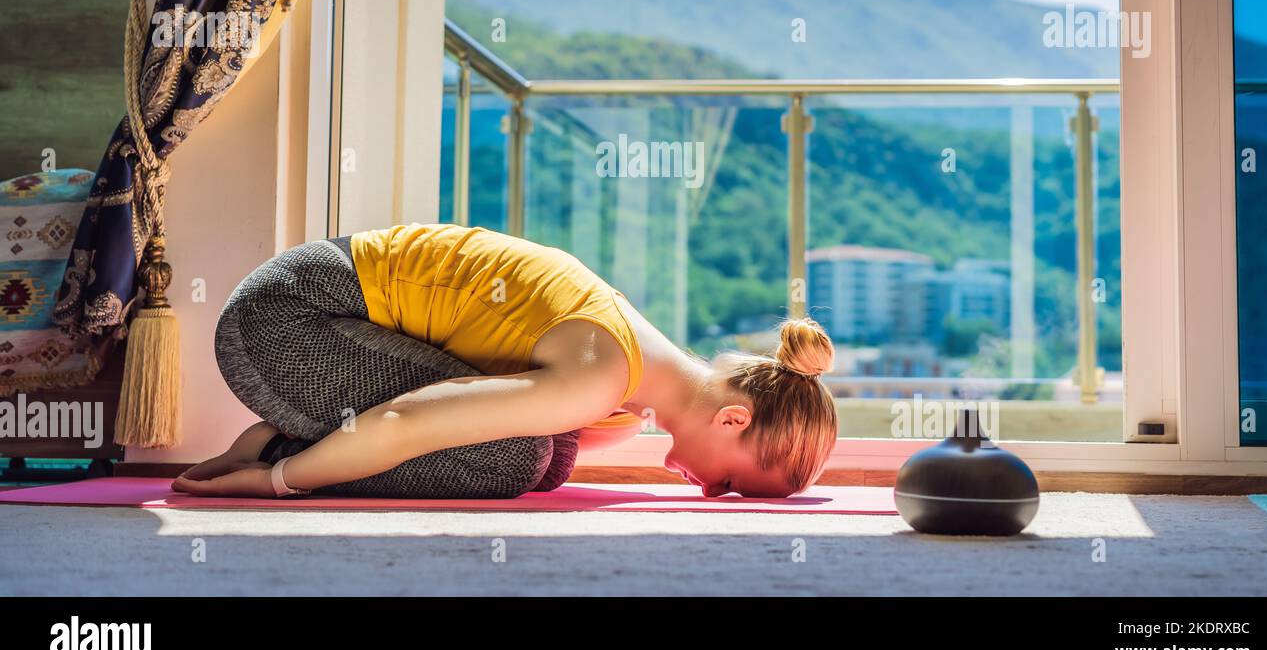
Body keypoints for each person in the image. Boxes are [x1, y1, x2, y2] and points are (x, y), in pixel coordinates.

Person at [173, 223, 839, 499]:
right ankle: (274, 451)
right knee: (514, 459)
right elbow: (405, 421)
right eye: (728, 483)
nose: (709, 490)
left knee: (553, 458)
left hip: (315, 301)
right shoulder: (599, 374)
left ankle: (293, 440)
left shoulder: (633, 358)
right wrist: (279, 484)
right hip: (288, 325)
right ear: (731, 420)